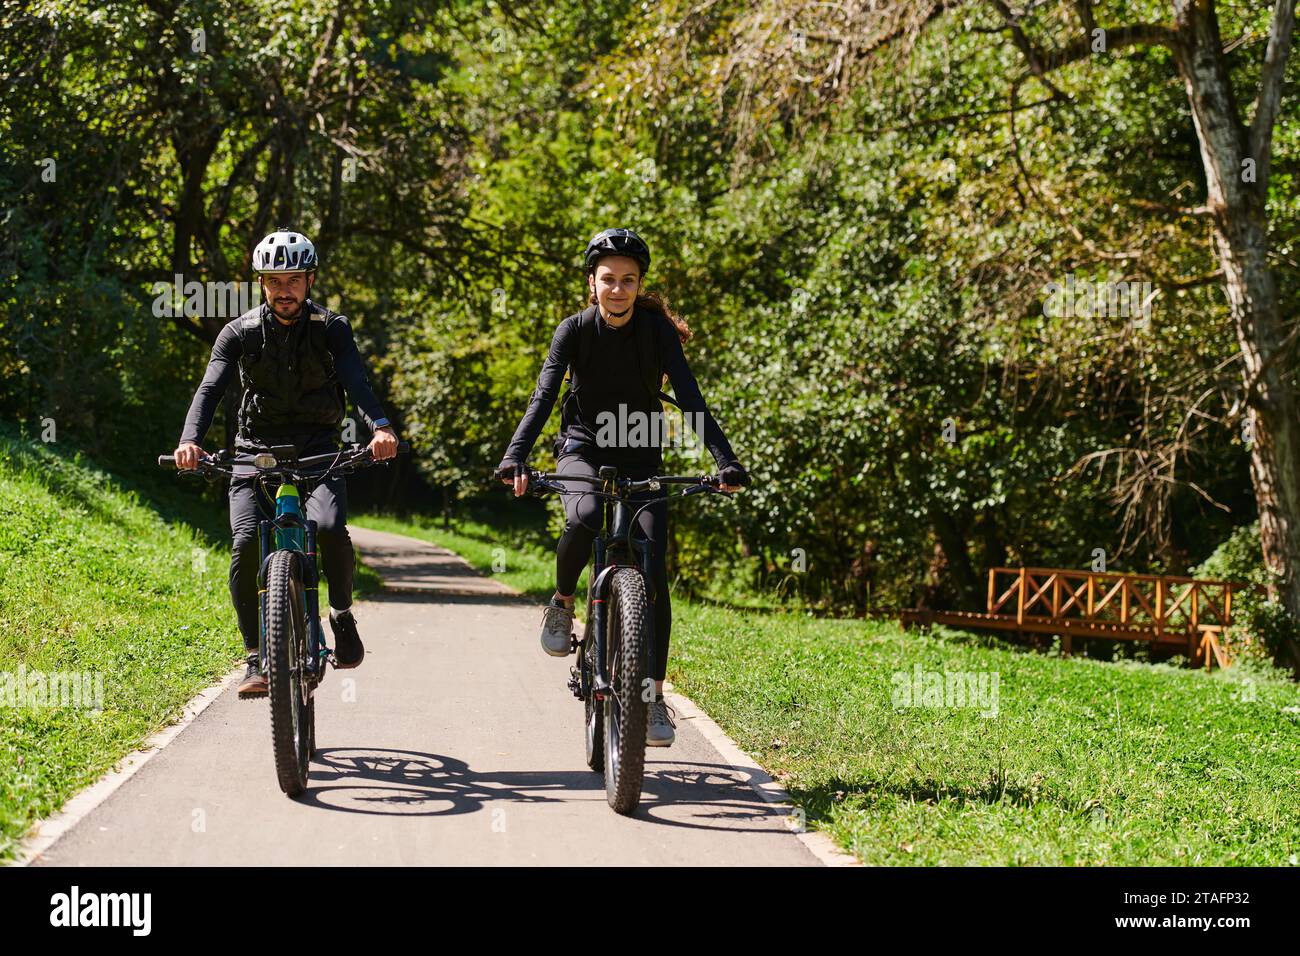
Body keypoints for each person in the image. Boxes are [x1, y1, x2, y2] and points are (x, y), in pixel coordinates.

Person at [496, 228, 748, 747]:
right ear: (592, 283)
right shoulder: (573, 330)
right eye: (608, 279)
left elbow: (691, 400)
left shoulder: (656, 333)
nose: (618, 289)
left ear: (639, 285)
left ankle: (653, 700)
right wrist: (515, 456)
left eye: (628, 280)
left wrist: (726, 461)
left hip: (641, 451)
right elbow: (543, 398)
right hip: (584, 447)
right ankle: (564, 601)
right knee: (584, 516)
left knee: (652, 567)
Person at [171, 228, 399, 698]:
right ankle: (256, 657)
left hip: (318, 448)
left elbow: (356, 382)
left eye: (293, 279)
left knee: (331, 529)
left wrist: (380, 425)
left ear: (310, 280)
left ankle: (339, 613)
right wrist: (191, 440)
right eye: (274, 281)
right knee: (245, 543)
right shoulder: (239, 332)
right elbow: (210, 389)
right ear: (261, 284)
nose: (284, 290)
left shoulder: (331, 328)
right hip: (255, 450)